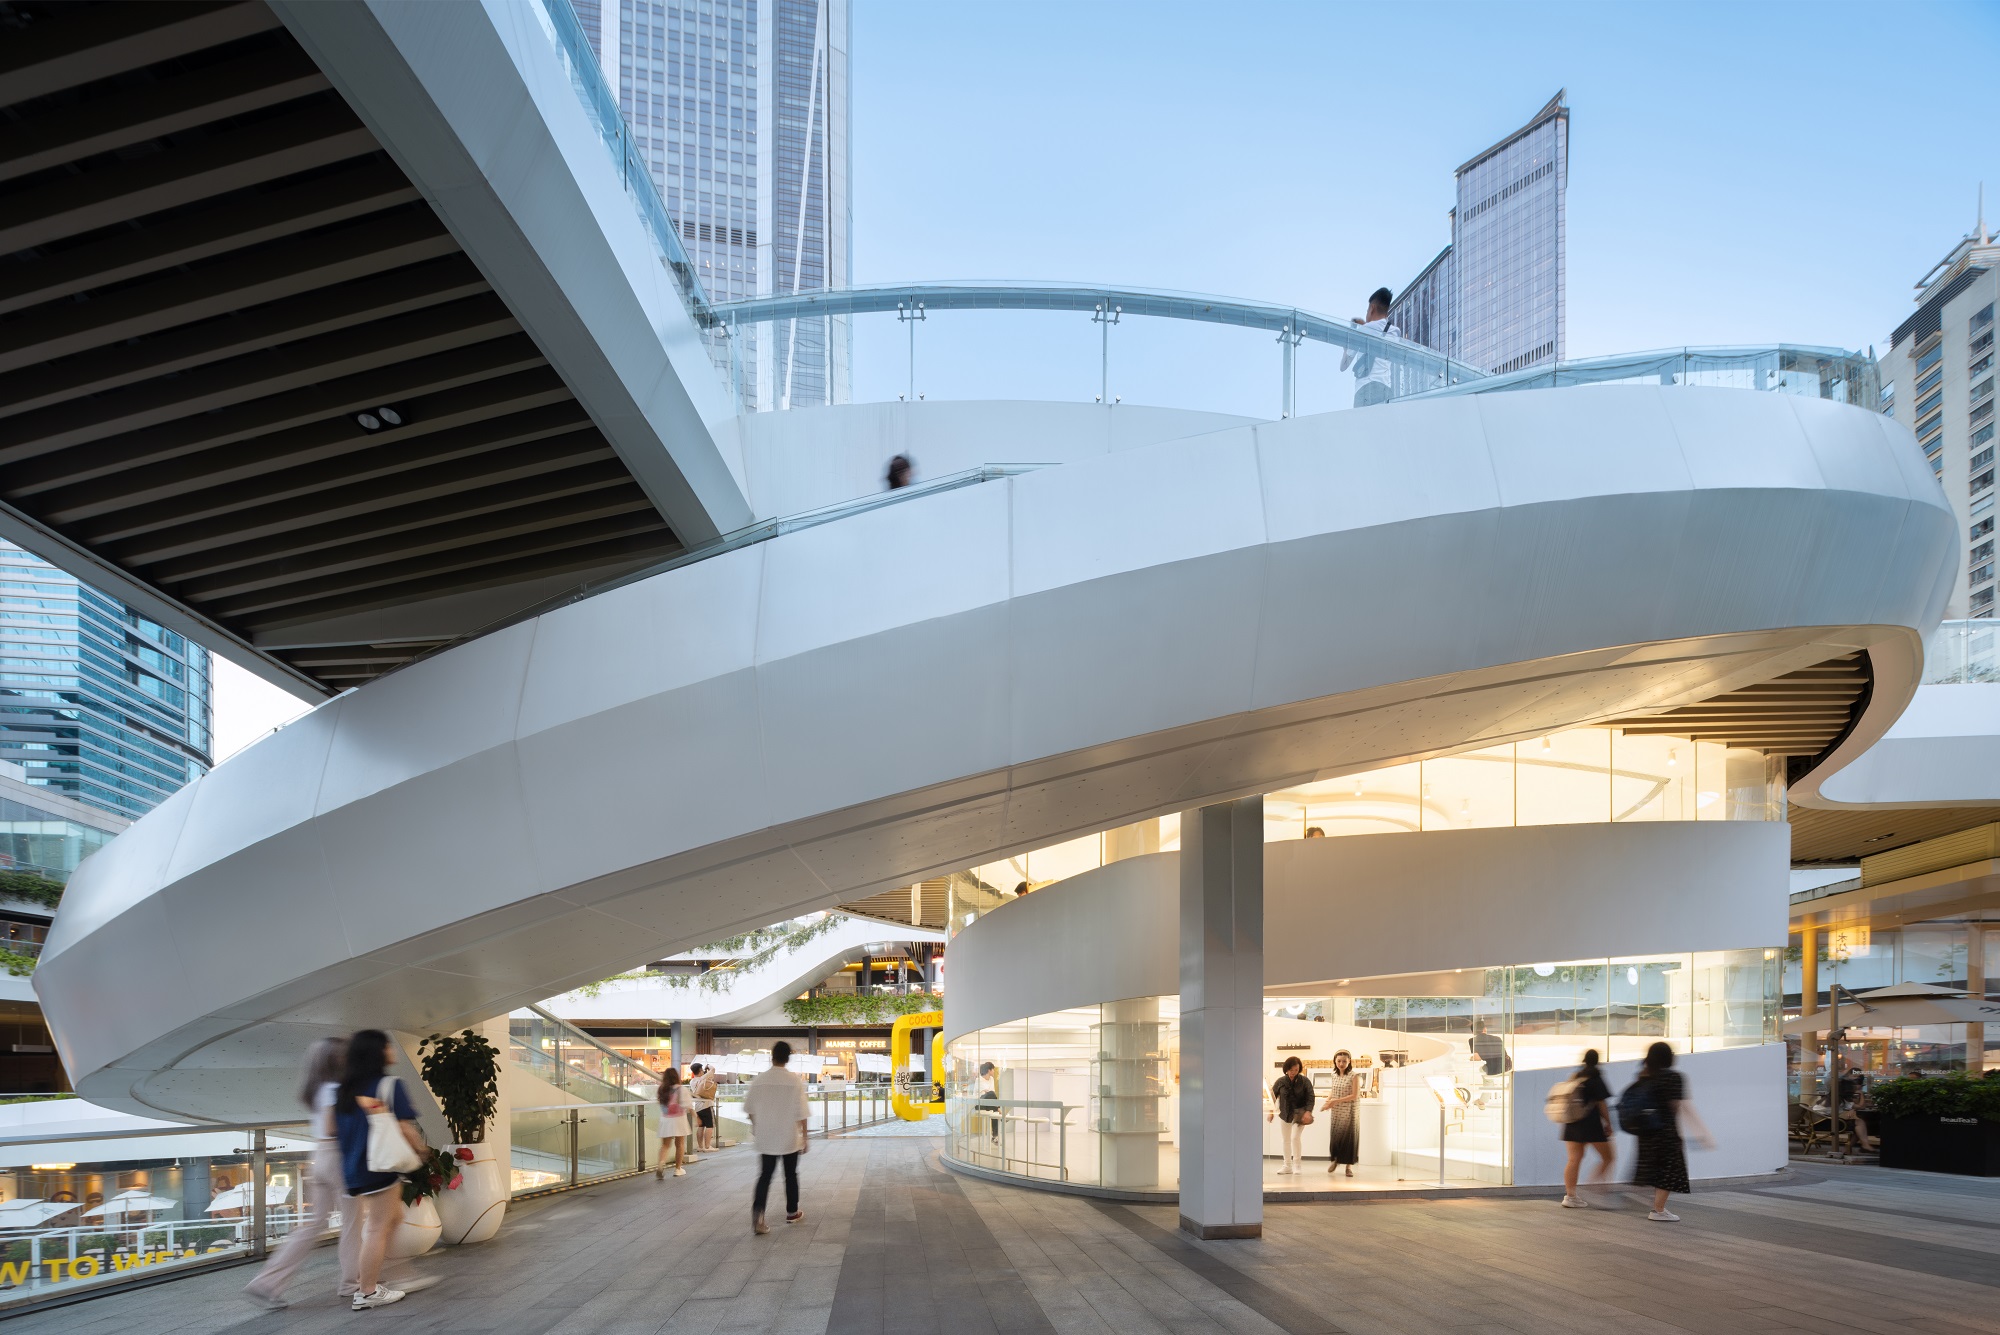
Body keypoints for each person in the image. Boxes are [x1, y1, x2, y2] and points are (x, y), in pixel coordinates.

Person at [243, 1038, 348, 1309]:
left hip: (319, 1157)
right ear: (338, 1059)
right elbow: (332, 1125)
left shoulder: (318, 1088)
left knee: (315, 1223)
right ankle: (354, 1283)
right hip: (338, 1156)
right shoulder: (336, 1088)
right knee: (354, 1222)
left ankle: (266, 1282)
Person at [333, 1030, 427, 1310]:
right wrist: (422, 1151)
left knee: (392, 1218)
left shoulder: (344, 1089)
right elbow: (404, 1128)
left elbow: (337, 1130)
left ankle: (389, 1275)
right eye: (388, 1045)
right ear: (378, 1052)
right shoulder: (389, 1085)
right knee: (377, 1227)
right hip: (380, 1165)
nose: (392, 1049)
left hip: (355, 1164)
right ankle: (367, 1291)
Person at [1627, 1041, 1713, 1222]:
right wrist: (1699, 1132)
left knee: (1653, 1168)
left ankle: (1656, 1206)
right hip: (1665, 1132)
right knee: (1670, 1170)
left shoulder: (1644, 1075)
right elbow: (1680, 1107)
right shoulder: (1673, 1077)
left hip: (1646, 1132)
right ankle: (1658, 1210)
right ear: (1667, 1057)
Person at [743, 1040, 810, 1234]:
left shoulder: (760, 1080)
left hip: (766, 1137)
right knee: (790, 1175)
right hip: (788, 1136)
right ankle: (792, 1212)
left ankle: (758, 1213)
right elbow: (801, 1112)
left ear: (772, 1057)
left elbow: (750, 1110)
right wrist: (805, 1137)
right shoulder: (794, 1081)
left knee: (765, 1176)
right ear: (788, 1058)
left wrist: (757, 1128)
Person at [1558, 1049, 1615, 1208]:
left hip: (1571, 1123)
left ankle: (1570, 1196)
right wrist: (1609, 1123)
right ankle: (1592, 1187)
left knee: (1573, 1159)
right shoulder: (1596, 1077)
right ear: (1597, 1061)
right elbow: (1602, 1103)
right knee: (1609, 1157)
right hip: (1590, 1124)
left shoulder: (1575, 1076)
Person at [1340, 287, 1401, 407]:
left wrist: (1346, 345)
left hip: (1365, 388)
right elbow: (1378, 331)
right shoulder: (1395, 332)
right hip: (1386, 389)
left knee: (1362, 424)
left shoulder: (1364, 331)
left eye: (1367, 309)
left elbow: (1343, 365)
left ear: (1372, 308)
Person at [1267, 1057, 1314, 1175]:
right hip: (1284, 1114)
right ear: (1286, 1070)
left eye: (1296, 1070)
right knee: (1286, 1140)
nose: (1293, 1072)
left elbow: (1310, 1097)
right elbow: (1272, 1097)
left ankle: (1297, 1165)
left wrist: (1308, 1111)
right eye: (1291, 1070)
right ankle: (1287, 1165)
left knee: (1295, 1138)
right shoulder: (1280, 1082)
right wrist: (1271, 1112)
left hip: (1300, 1115)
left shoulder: (1305, 1081)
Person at [1319, 1049, 1360, 1177]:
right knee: (1336, 1136)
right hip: (1336, 1110)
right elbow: (1333, 1089)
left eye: (1344, 1061)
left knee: (1349, 1138)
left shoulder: (1354, 1076)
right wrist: (1328, 1099)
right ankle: (1335, 1160)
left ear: (1349, 1062)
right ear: (1335, 1061)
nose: (1341, 1064)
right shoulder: (1333, 1075)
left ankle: (1348, 1167)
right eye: (1339, 1061)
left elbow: (1355, 1095)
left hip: (1350, 1111)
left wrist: (1334, 1101)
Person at [656, 1067, 692, 1178]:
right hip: (679, 1119)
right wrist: (696, 1116)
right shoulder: (681, 1089)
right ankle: (678, 1169)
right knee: (680, 1144)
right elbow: (688, 1105)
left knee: (665, 1145)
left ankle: (661, 1164)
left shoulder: (661, 1089)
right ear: (676, 1077)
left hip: (665, 1120)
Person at [689, 1063, 719, 1153]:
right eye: (702, 1070)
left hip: (698, 1106)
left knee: (701, 1126)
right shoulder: (704, 1078)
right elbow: (713, 1069)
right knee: (710, 1126)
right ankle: (707, 1146)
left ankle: (700, 1146)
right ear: (700, 1070)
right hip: (707, 1105)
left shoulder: (692, 1081)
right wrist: (708, 1065)